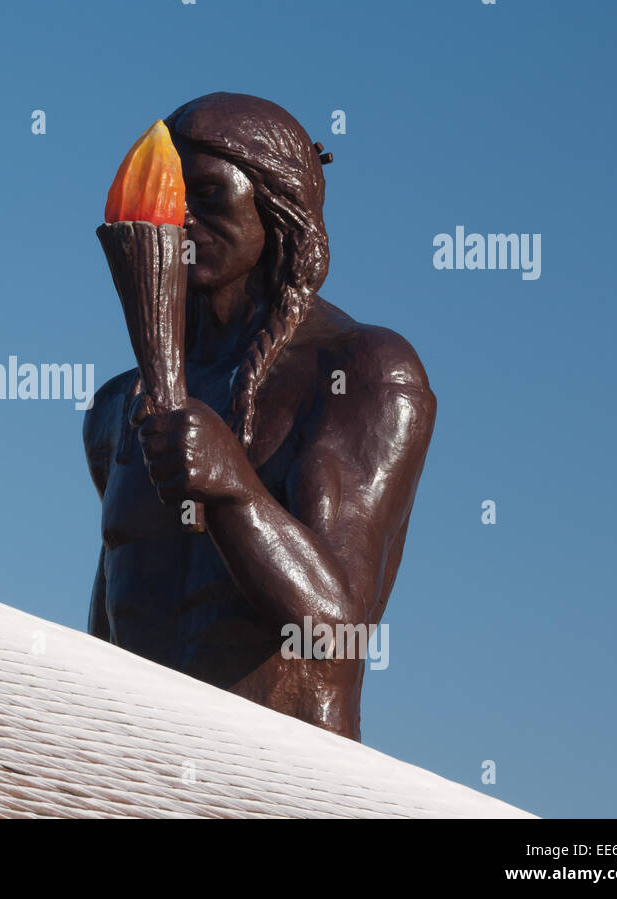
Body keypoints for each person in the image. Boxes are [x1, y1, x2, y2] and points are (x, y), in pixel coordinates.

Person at [84, 93, 436, 741]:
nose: (179, 217)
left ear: (277, 209)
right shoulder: (116, 410)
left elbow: (334, 628)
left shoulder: (365, 372)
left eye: (210, 195)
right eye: (169, 196)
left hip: (284, 783)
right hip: (132, 774)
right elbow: (110, 618)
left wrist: (234, 490)